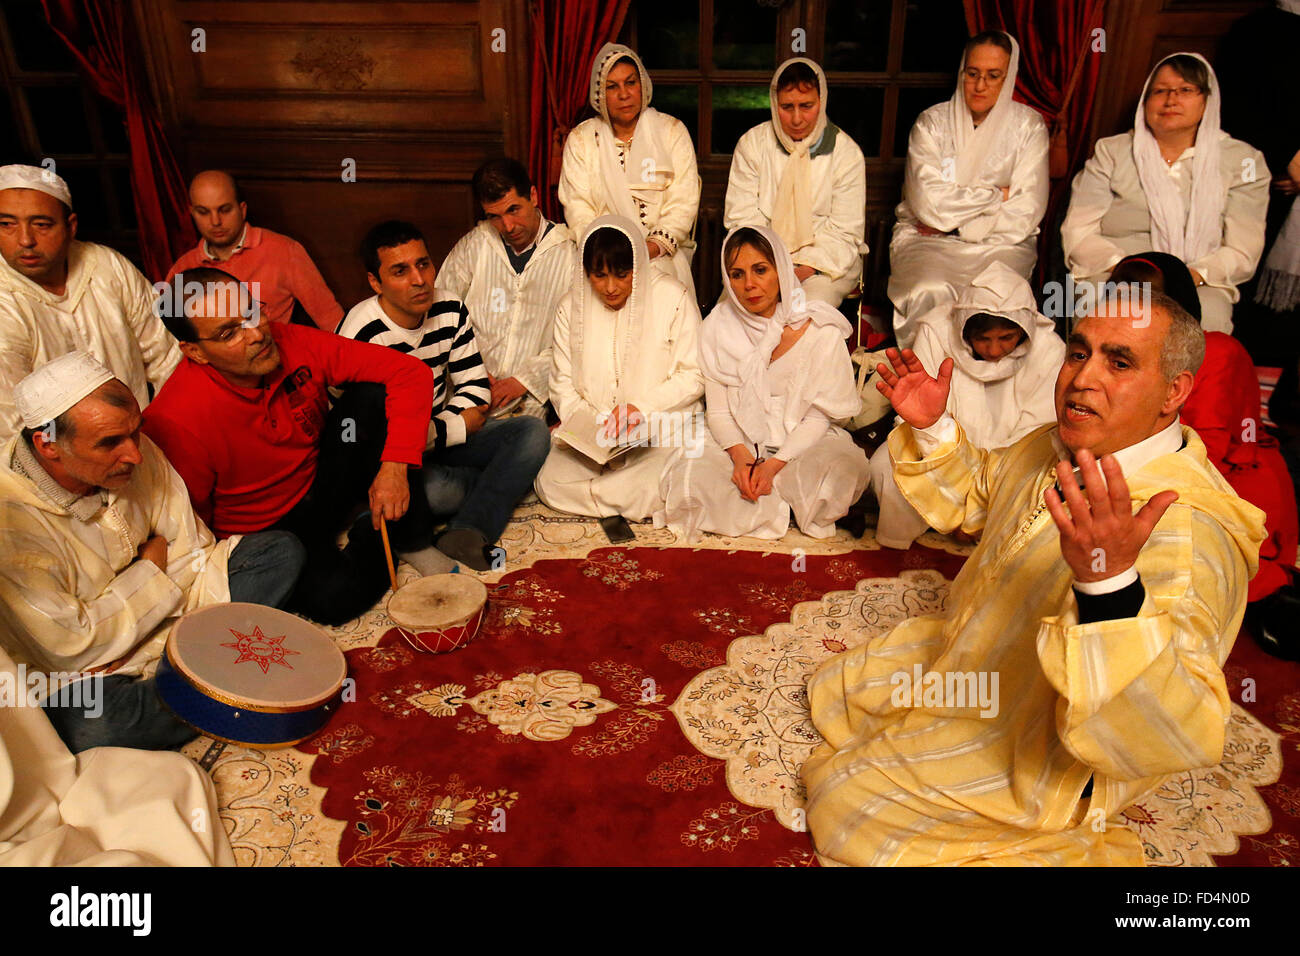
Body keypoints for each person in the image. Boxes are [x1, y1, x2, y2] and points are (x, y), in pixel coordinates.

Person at [802, 292, 1266, 866]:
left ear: (1175, 391)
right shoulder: (1058, 445)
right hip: (985, 658)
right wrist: (935, 427)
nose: (1082, 379)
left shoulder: (1186, 527)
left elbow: (1172, 726)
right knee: (847, 684)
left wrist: (1111, 584)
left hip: (1051, 744)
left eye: (1118, 363)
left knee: (849, 801)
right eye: (1078, 353)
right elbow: (982, 496)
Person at [0, 351, 305, 752]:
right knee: (96, 726)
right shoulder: (10, 525)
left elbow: (194, 549)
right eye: (109, 443)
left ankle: (196, 685)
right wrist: (148, 569)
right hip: (88, 671)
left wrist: (125, 614)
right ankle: (217, 669)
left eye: (135, 432)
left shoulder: (131, 451)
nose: (135, 455)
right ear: (49, 444)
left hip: (165, 620)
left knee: (281, 551)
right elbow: (70, 646)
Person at [143, 269, 437, 625]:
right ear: (195, 352)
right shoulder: (175, 419)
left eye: (251, 312)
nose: (256, 334)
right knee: (335, 602)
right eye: (229, 332)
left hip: (320, 478)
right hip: (269, 527)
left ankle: (406, 529)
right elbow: (193, 524)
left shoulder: (289, 338)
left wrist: (394, 467)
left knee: (371, 397)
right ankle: (375, 530)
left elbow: (410, 373)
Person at [1109, 252, 1300, 660]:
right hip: (1156, 459)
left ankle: (1273, 605)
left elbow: (1208, 443)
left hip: (1227, 475)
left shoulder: (1218, 349)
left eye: (1150, 304)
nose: (1135, 314)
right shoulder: (1119, 348)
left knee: (1207, 565)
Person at [339, 221, 550, 572]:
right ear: (376, 282)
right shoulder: (360, 332)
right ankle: (484, 488)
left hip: (437, 435)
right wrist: (450, 430)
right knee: (440, 491)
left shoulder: (450, 308)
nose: (420, 280)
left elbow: (475, 389)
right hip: (391, 457)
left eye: (423, 264)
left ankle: (467, 530)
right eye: (400, 271)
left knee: (530, 433)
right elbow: (354, 434)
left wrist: (439, 432)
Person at [656, 226, 867, 540]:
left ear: (781, 270)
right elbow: (719, 413)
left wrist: (772, 466)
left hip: (805, 443)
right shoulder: (718, 325)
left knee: (843, 470)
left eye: (760, 270)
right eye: (737, 274)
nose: (749, 285)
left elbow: (817, 417)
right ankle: (783, 500)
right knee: (691, 478)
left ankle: (782, 490)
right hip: (737, 440)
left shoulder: (822, 329)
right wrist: (742, 460)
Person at [1061, 53, 1269, 334]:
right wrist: (1128, 270)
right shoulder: (1111, 151)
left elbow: (1243, 249)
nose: (1171, 100)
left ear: (1207, 99)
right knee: (1098, 312)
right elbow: (1079, 231)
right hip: (1116, 271)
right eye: (1160, 91)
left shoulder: (1244, 160)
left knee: (1209, 319)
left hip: (1198, 277)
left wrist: (1187, 277)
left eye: (1185, 90)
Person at [869, 261, 1064, 549]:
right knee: (884, 465)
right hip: (939, 445)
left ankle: (988, 529)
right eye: (983, 339)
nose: (995, 350)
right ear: (964, 330)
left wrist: (977, 509)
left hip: (1011, 456)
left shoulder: (1049, 349)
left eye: (1007, 338)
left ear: (1025, 330)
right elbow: (918, 416)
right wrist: (953, 483)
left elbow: (1038, 433)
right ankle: (904, 543)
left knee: (1047, 473)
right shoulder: (936, 331)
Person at [0, 645, 234, 866]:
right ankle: (227, 683)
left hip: (79, 670)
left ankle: (228, 677)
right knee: (105, 727)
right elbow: (72, 646)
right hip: (62, 684)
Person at [887, 30, 1049, 349]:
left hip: (1003, 242)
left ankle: (987, 388)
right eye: (972, 74)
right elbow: (927, 203)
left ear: (1009, 76)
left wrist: (958, 224)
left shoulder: (1029, 128)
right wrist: (994, 195)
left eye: (993, 76)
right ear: (962, 71)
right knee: (929, 287)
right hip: (925, 240)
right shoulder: (931, 123)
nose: (980, 86)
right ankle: (925, 379)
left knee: (995, 296)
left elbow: (1025, 211)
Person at [535, 216, 703, 521]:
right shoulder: (570, 307)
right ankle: (625, 497)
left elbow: (693, 376)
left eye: (622, 275)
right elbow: (561, 385)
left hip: (656, 429)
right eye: (599, 276)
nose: (610, 287)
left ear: (637, 267)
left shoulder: (672, 297)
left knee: (674, 467)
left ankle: (608, 494)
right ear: (585, 273)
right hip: (594, 435)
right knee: (550, 481)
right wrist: (595, 426)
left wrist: (641, 409)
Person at [0, 164, 181, 441]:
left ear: (70, 226)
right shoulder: (4, 301)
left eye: (41, 224)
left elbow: (168, 360)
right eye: (6, 225)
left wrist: (169, 437)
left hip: (146, 441)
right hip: (60, 468)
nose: (25, 240)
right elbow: (12, 428)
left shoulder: (108, 267)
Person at [558, 43, 701, 297]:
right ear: (599, 94)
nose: (624, 94)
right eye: (612, 87)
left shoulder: (672, 132)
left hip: (659, 255)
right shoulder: (582, 139)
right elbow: (578, 208)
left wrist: (650, 248)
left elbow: (683, 202)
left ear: (642, 85)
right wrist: (610, 256)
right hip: (600, 259)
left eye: (630, 83)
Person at [724, 58, 867, 308]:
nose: (797, 118)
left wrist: (804, 267)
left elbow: (845, 230)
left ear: (821, 102)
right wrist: (770, 266)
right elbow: (742, 218)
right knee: (730, 314)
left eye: (807, 105)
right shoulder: (752, 145)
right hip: (759, 263)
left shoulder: (846, 153)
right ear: (774, 104)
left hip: (825, 265)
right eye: (787, 107)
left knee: (807, 311)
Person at [438, 158, 575, 418]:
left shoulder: (569, 252)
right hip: (466, 402)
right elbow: (440, 318)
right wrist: (469, 369)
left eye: (514, 210)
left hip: (528, 407)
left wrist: (524, 379)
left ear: (533, 196)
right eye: (495, 217)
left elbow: (579, 335)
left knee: (531, 441)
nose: (508, 227)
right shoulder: (474, 246)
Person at [166, 170, 344, 331]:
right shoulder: (182, 269)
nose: (215, 221)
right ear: (191, 213)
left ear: (242, 210)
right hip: (207, 365)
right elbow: (167, 337)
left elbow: (332, 321)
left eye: (225, 210)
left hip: (272, 359)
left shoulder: (283, 251)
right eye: (203, 212)